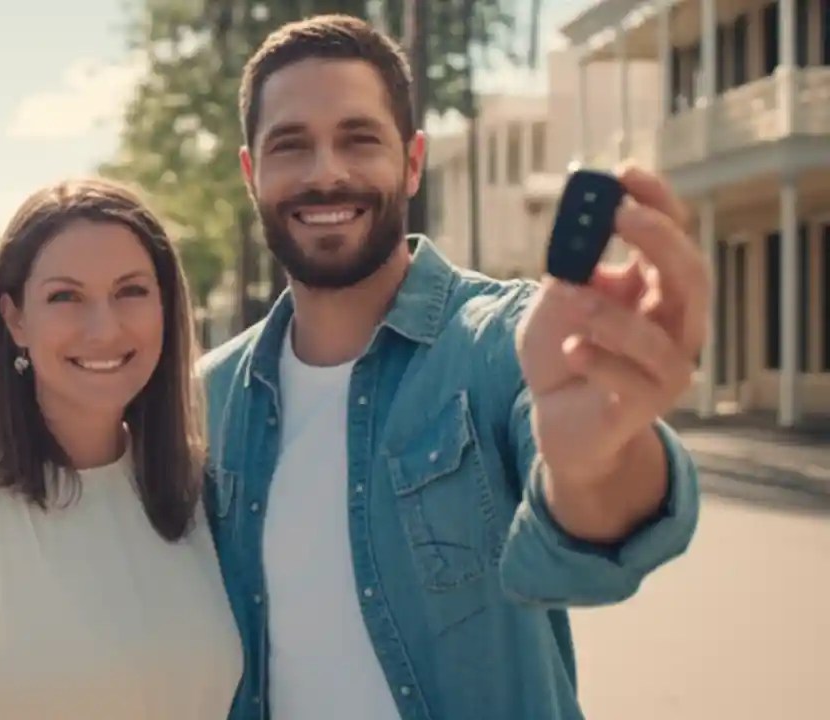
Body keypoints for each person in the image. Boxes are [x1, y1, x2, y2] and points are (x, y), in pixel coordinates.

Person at [198, 14, 706, 720]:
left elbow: (591, 538)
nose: (326, 173)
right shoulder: (209, 398)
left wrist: (591, 468)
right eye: (291, 145)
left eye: (358, 139)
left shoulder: (507, 341)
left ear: (411, 161)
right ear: (252, 172)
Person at [0, 178, 243, 719]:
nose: (104, 328)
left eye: (131, 291)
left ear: (166, 309)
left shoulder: (196, 492)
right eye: (65, 297)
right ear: (15, 319)